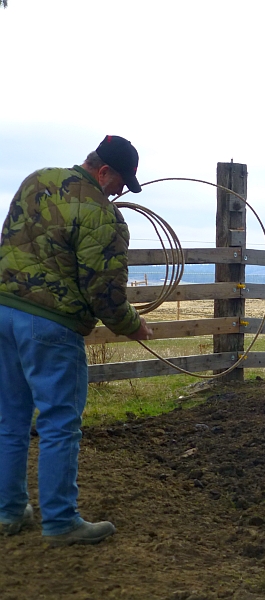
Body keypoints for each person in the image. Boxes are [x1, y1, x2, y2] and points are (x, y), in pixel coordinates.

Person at [0, 135, 154, 546]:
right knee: (60, 422)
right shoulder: (103, 216)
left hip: (3, 312)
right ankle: (60, 521)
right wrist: (131, 325)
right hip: (50, 325)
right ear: (103, 171)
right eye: (120, 182)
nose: (119, 192)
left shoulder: (35, 181)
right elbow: (103, 291)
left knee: (10, 419)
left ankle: (9, 511)